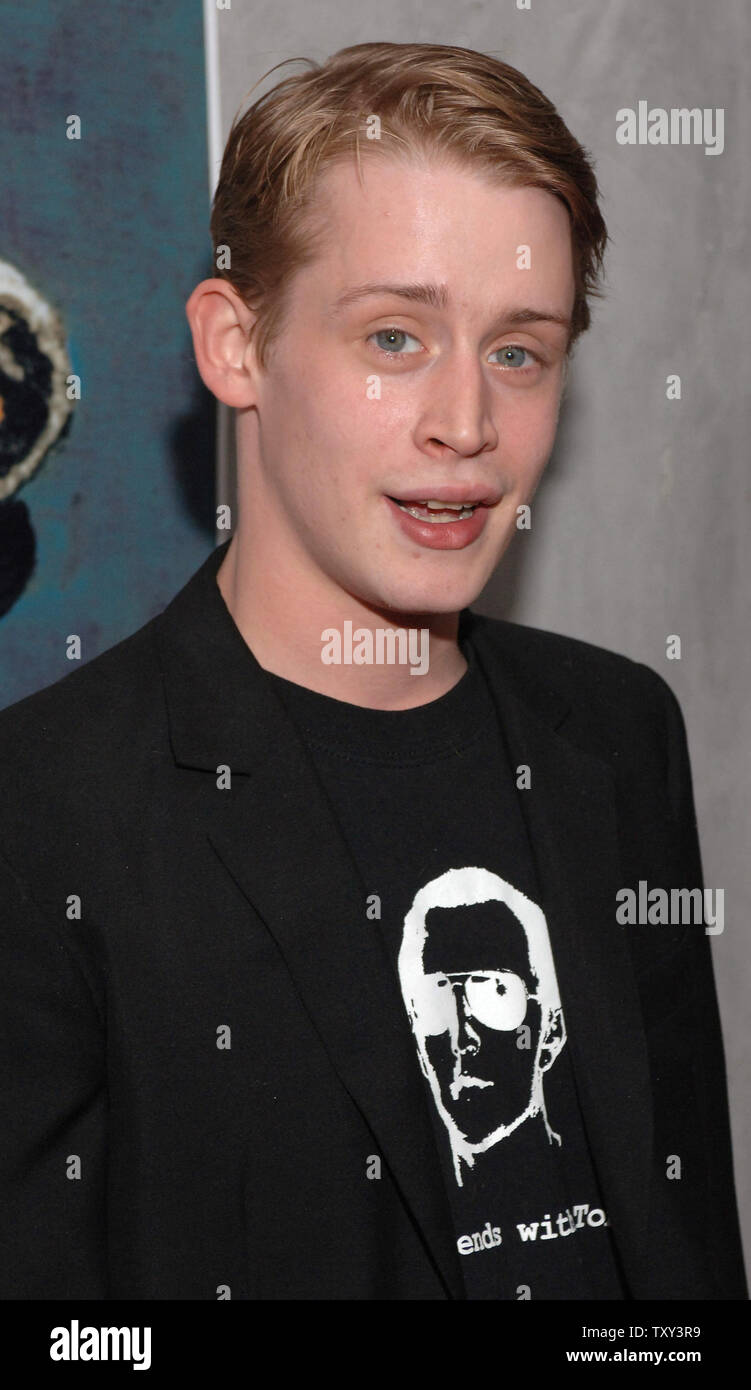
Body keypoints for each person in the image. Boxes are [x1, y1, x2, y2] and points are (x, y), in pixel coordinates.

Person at [0, 41, 746, 1301]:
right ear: (237, 346)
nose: (467, 421)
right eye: (395, 336)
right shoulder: (45, 815)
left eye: (520, 351)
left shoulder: (618, 735)